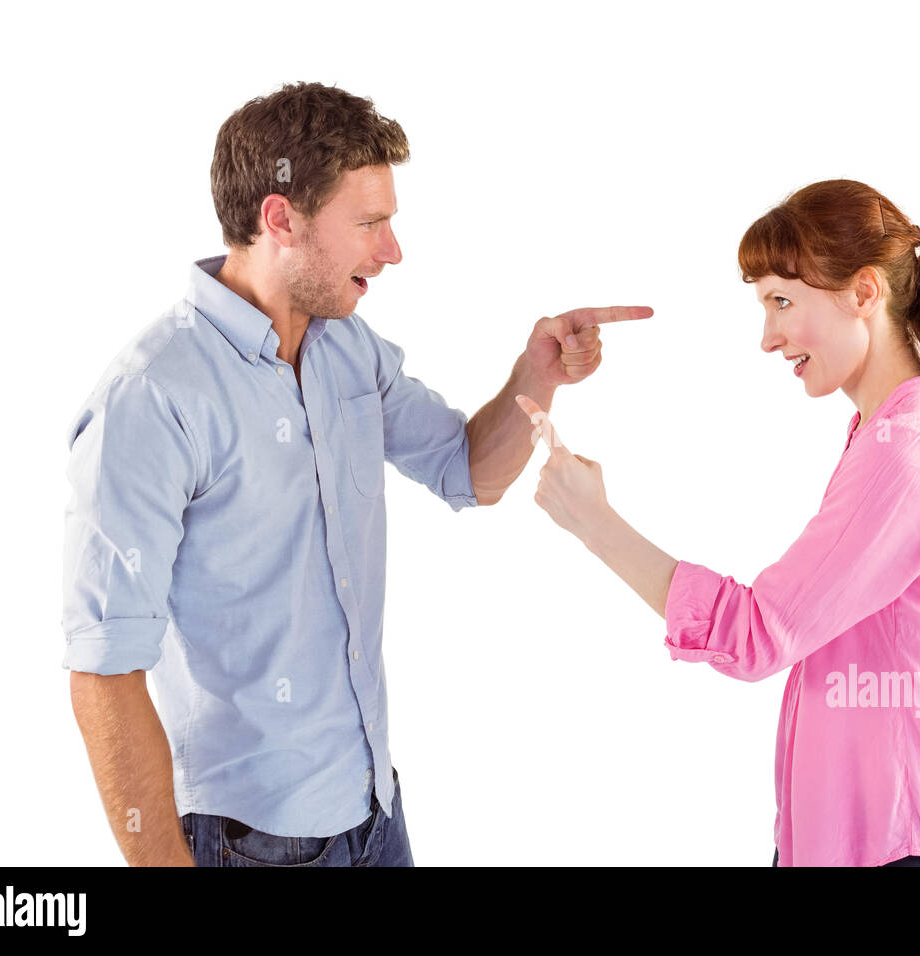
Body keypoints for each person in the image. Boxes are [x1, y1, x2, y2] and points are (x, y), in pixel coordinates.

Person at [61, 81, 650, 866]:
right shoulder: (153, 397)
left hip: (374, 813)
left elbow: (468, 471)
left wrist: (532, 378)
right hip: (248, 844)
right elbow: (103, 670)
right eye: (369, 223)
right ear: (281, 219)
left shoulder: (345, 346)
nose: (393, 250)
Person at [518, 181, 920, 866]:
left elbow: (757, 633)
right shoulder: (889, 431)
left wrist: (593, 522)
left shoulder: (908, 450)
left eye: (782, 302)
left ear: (864, 293)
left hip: (897, 849)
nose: (768, 338)